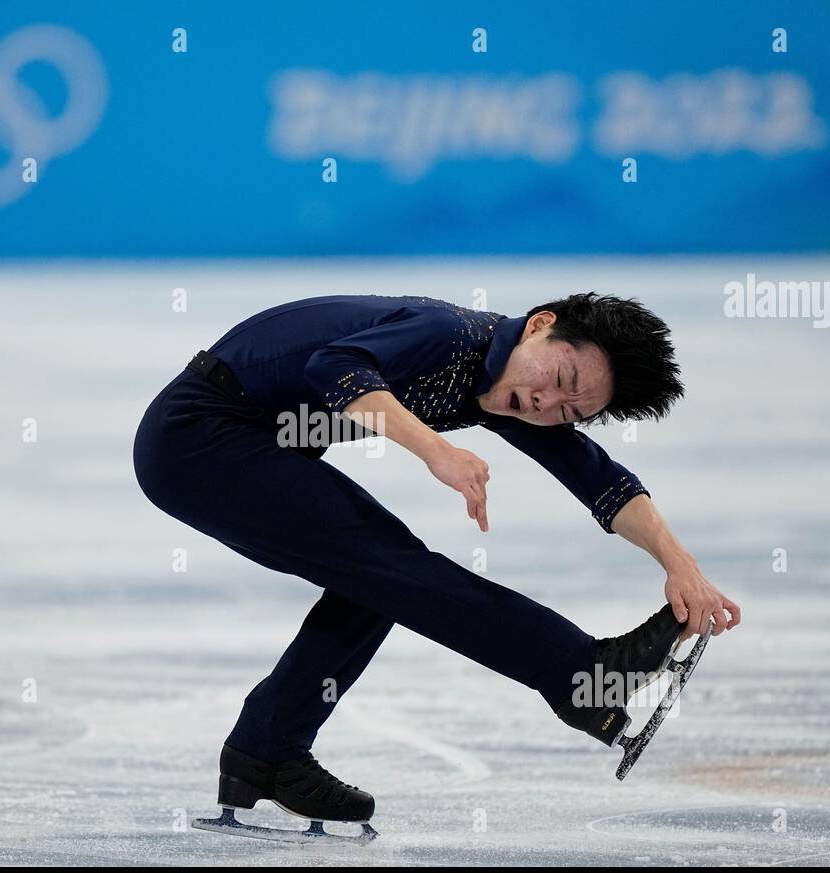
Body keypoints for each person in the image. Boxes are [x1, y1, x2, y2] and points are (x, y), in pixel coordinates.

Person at [133, 293, 740, 830]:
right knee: (392, 568)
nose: (544, 403)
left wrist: (678, 563)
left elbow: (596, 477)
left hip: (249, 439)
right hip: (199, 435)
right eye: (559, 376)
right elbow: (334, 366)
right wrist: (435, 450)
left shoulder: (506, 391)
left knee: (377, 580)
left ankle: (266, 751)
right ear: (539, 326)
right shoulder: (449, 336)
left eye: (568, 410)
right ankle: (580, 672)